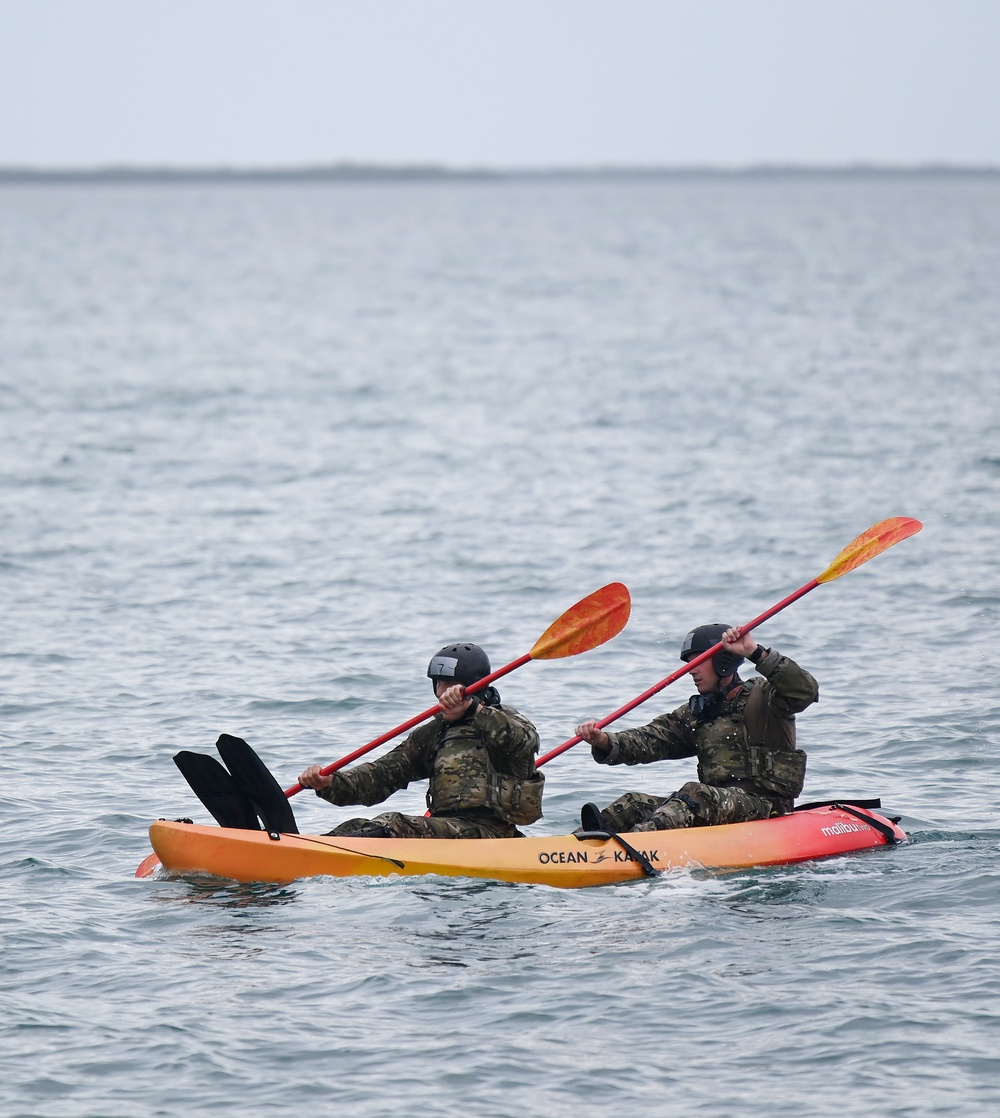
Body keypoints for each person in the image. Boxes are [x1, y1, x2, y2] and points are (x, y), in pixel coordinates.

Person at [575, 623, 818, 833]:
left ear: (724, 661)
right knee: (633, 803)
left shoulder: (765, 697)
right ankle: (572, 846)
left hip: (765, 807)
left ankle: (632, 846)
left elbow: (805, 691)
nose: (692, 670)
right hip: (714, 806)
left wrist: (755, 653)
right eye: (690, 663)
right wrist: (604, 740)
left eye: (699, 662)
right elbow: (649, 739)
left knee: (695, 794)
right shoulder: (696, 713)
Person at [298, 643, 544, 838]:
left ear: (473, 687)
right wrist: (329, 783)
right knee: (356, 827)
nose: (441, 693)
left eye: (450, 684)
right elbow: (381, 775)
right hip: (448, 828)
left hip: (493, 834)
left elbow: (525, 741)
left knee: (392, 824)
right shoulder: (435, 732)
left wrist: (474, 711)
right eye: (438, 683)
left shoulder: (503, 719)